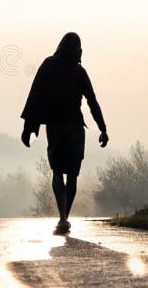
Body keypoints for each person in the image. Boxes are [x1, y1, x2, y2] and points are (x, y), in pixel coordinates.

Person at [21, 32, 107, 234]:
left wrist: (29, 127)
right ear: (78, 50)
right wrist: (102, 128)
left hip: (56, 127)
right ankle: (64, 217)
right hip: (75, 128)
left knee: (58, 171)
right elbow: (92, 101)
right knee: (72, 175)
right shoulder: (79, 72)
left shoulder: (49, 65)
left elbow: (35, 96)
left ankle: (62, 217)